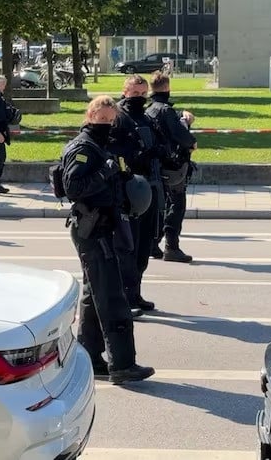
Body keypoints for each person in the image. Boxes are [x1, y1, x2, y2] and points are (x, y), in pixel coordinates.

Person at [61, 95, 154, 384]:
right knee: (113, 297)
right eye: (102, 119)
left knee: (94, 295)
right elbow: (73, 186)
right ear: (90, 116)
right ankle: (122, 364)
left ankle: (90, 357)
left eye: (110, 120)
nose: (107, 124)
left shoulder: (100, 146)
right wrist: (105, 172)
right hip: (93, 230)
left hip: (102, 228)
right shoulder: (84, 148)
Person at [109, 74, 164, 313]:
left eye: (143, 94)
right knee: (127, 249)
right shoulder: (118, 116)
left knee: (144, 246)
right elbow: (112, 150)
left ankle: (136, 293)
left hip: (149, 187)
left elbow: (157, 142)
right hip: (128, 192)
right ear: (125, 91)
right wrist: (135, 155)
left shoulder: (148, 116)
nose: (139, 98)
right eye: (135, 93)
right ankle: (125, 299)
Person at [146, 72, 198, 263]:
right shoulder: (166, 111)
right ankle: (172, 247)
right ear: (167, 88)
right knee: (176, 205)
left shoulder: (148, 110)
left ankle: (153, 243)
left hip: (156, 165)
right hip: (172, 166)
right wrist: (190, 136)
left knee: (161, 205)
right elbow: (182, 137)